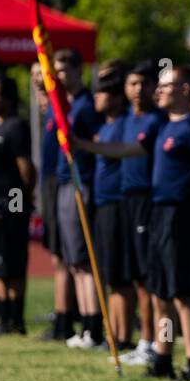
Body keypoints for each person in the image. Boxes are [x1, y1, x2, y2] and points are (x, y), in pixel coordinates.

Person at [80, 63, 190, 381]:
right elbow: (128, 149)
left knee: (182, 294)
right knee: (159, 293)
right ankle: (163, 357)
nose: (158, 91)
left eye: (166, 86)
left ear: (184, 91)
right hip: (157, 212)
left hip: (179, 216)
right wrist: (84, 146)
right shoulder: (162, 126)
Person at [51, 50, 105, 349]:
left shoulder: (85, 105)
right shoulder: (65, 105)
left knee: (84, 261)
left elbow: (97, 144)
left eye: (63, 70)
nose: (58, 77)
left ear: (77, 70)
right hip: (63, 180)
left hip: (79, 182)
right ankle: (85, 325)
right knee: (73, 261)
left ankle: (94, 326)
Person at [0, 74, 35, 335]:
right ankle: (1, 314)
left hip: (10, 205)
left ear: (9, 98)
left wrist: (19, 202)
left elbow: (25, 170)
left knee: (12, 262)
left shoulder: (16, 126)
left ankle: (15, 317)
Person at [116, 61, 165, 366]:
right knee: (135, 277)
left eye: (143, 84)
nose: (137, 90)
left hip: (148, 200)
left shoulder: (157, 120)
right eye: (132, 84)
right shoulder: (126, 119)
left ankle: (153, 342)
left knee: (149, 279)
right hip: (127, 200)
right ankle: (144, 340)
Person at [90, 63, 134, 350]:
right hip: (102, 203)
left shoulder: (123, 123)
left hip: (117, 203)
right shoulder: (104, 126)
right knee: (108, 273)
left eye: (104, 93)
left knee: (120, 275)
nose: (98, 98)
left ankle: (124, 335)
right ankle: (113, 333)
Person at [35, 62, 78, 343]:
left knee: (66, 257)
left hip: (64, 182)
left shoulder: (67, 107)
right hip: (51, 183)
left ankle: (68, 319)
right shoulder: (50, 107)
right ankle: (62, 315)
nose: (43, 77)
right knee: (57, 255)